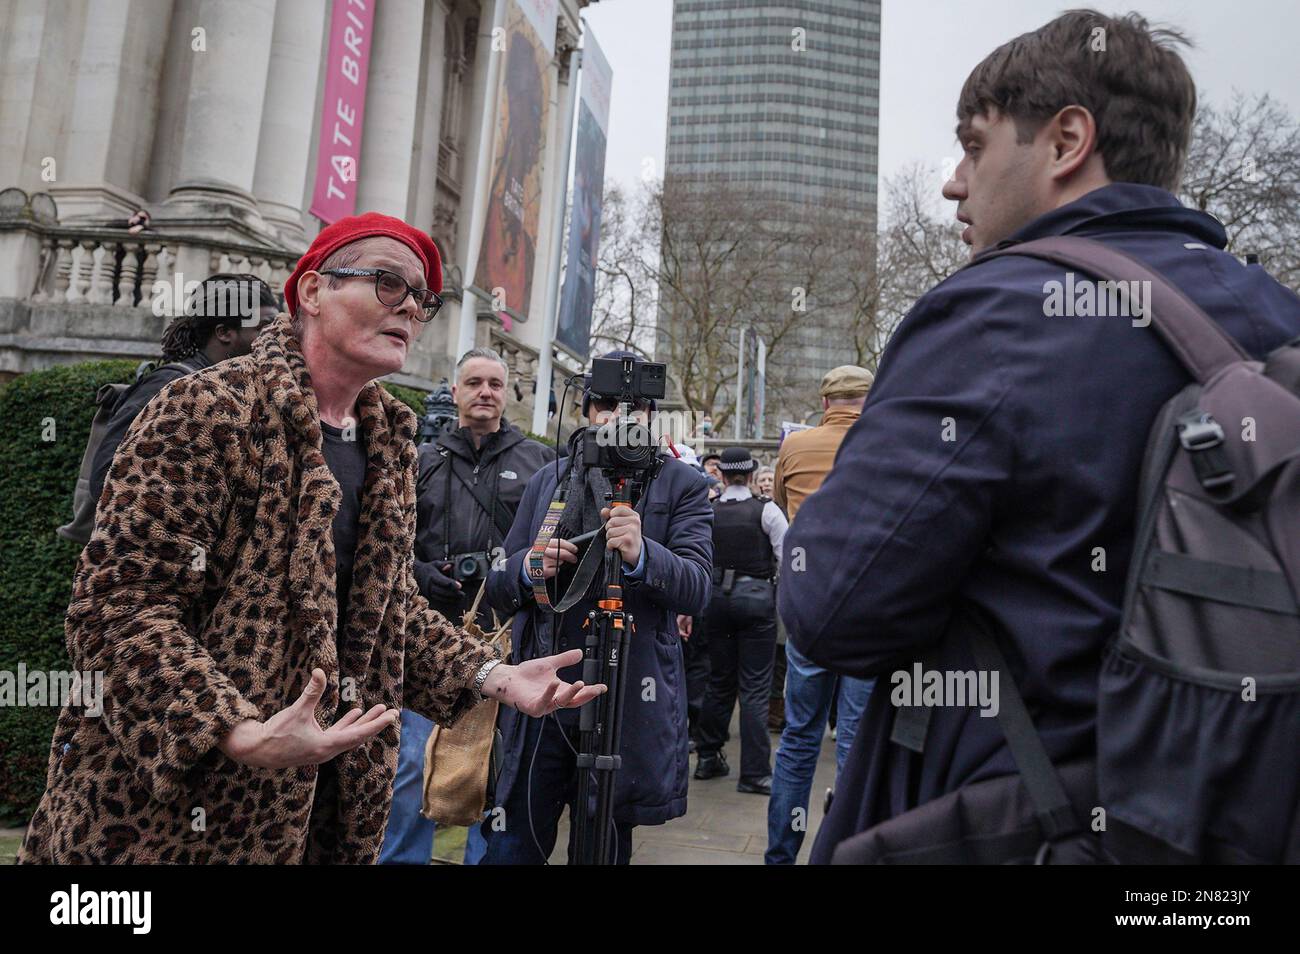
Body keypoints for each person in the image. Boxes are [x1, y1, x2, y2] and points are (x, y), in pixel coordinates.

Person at [780, 11, 1300, 864]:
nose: (954, 182)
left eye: (974, 146)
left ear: (1065, 141)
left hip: (1014, 822)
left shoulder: (992, 313)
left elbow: (830, 611)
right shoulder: (1275, 316)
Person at [18, 212, 600, 864]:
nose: (410, 305)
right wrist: (232, 730)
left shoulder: (392, 439)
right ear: (314, 291)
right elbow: (118, 605)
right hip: (164, 816)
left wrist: (496, 676)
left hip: (324, 810)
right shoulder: (209, 408)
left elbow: (389, 608)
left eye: (421, 297)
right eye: (387, 282)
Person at [480, 352, 713, 864]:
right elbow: (500, 584)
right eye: (605, 404)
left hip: (625, 698)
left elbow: (697, 588)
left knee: (604, 847)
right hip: (542, 691)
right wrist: (528, 566)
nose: (618, 417)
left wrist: (643, 553)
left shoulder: (681, 484)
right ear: (585, 410)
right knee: (513, 841)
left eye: (635, 407)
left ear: (653, 416)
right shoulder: (550, 480)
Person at [379, 347, 555, 864]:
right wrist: (420, 574)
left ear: (507, 393)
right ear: (455, 392)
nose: (485, 392)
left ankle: (482, 859)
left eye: (495, 384)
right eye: (474, 382)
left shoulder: (540, 462)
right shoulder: (420, 460)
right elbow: (387, 544)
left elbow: (553, 544)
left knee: (497, 767)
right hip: (429, 629)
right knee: (412, 761)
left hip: (506, 634)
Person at [766, 366, 876, 864]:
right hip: (866, 604)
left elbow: (783, 510)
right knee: (854, 737)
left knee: (798, 736)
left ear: (827, 402)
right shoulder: (887, 443)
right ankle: (845, 852)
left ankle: (780, 856)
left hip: (809, 602)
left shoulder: (796, 445)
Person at [86, 273, 278, 509]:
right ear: (224, 332)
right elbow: (105, 480)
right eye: (264, 327)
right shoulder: (168, 385)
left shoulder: (241, 390)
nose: (274, 338)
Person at [692, 447, 789, 795]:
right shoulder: (767, 510)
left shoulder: (710, 511)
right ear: (750, 475)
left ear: (721, 475)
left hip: (715, 602)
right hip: (757, 602)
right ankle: (755, 773)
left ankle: (707, 757)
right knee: (755, 688)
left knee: (719, 681)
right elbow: (787, 556)